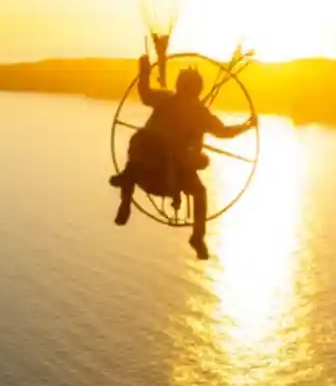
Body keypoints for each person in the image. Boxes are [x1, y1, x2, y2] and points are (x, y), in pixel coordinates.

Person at [109, 55, 256, 259]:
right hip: (164, 171)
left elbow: (144, 94)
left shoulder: (172, 100)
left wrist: (144, 72)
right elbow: (224, 132)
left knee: (139, 155)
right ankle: (197, 236)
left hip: (162, 172)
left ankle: (127, 197)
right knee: (196, 189)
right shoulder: (196, 110)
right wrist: (246, 126)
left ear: (181, 85)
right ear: (197, 89)